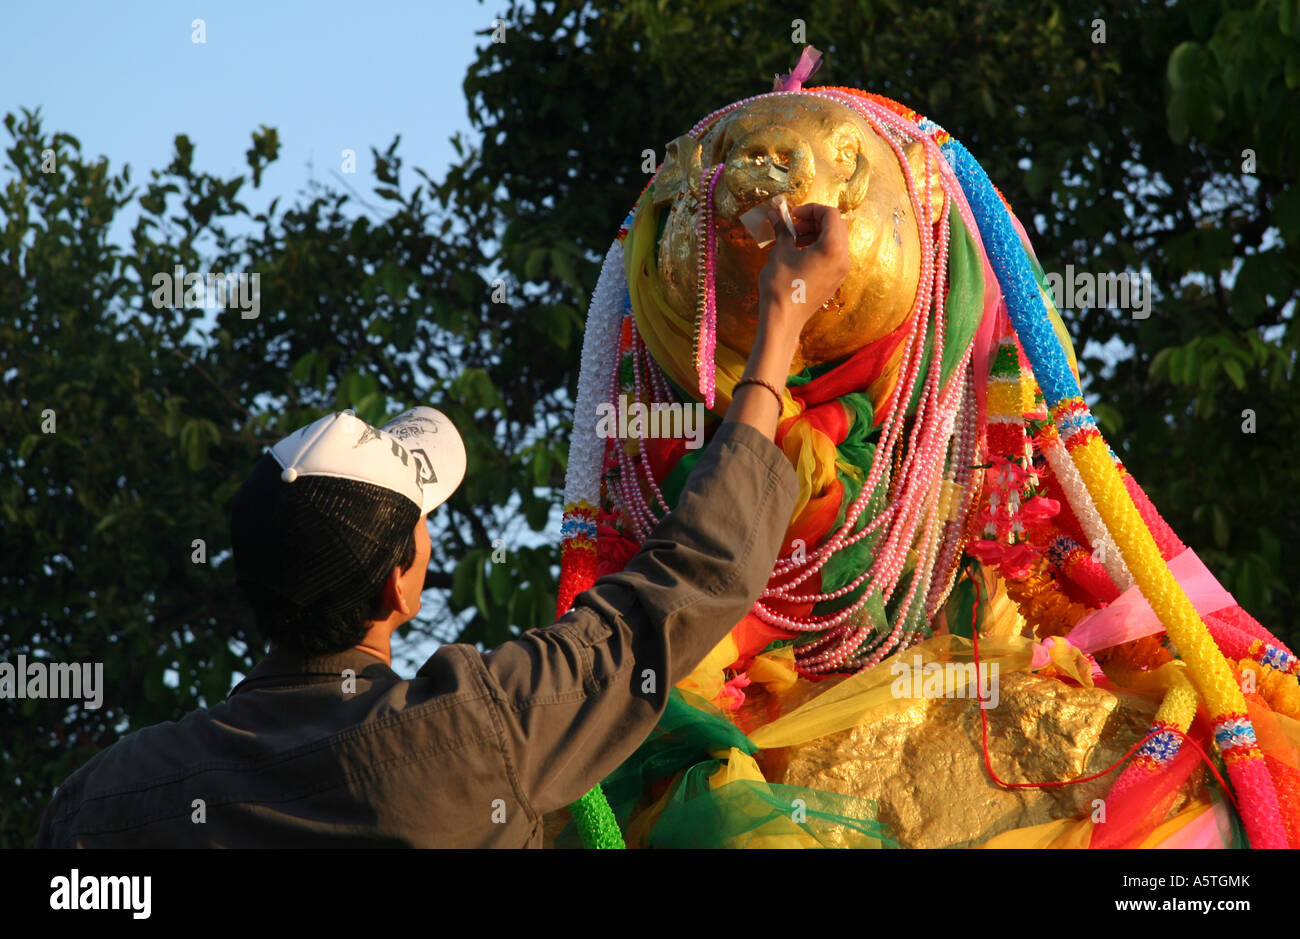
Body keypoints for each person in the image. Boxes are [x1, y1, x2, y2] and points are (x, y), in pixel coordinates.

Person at [35, 203, 851, 848]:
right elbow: (688, 582)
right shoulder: (476, 729)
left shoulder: (102, 800)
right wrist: (779, 326)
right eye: (424, 524)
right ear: (399, 582)